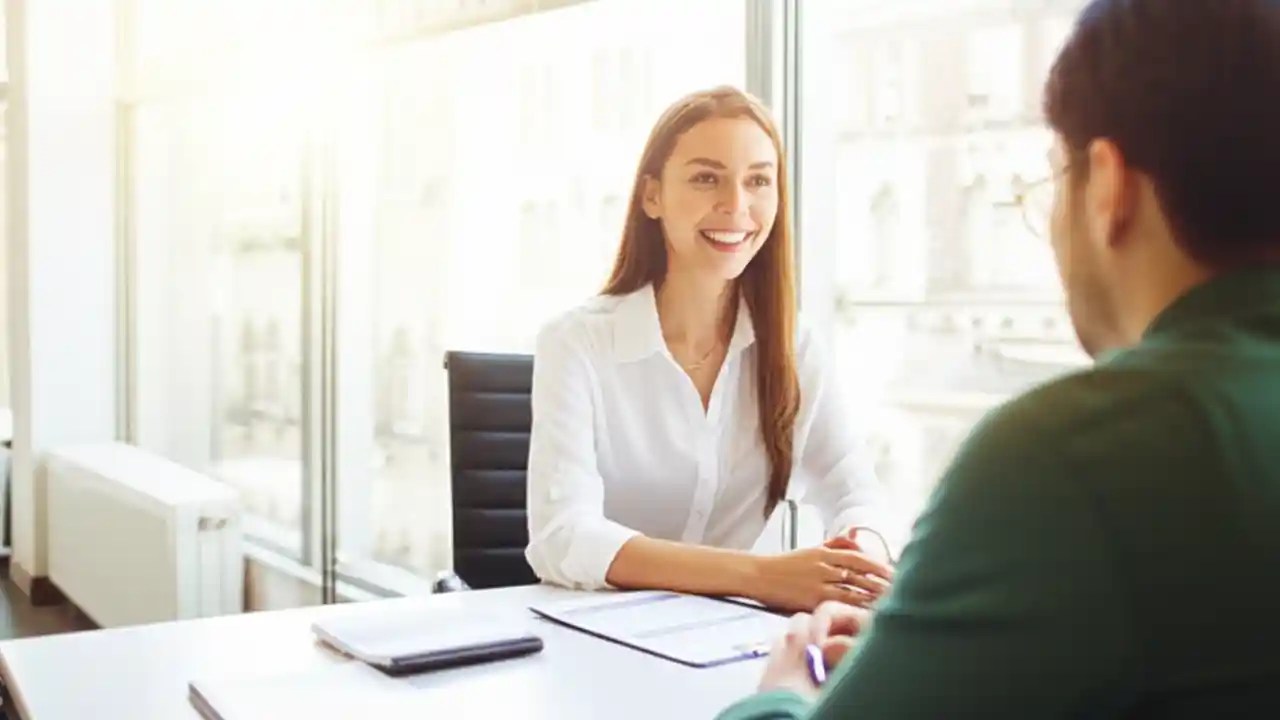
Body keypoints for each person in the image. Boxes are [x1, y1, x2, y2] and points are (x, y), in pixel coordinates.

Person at [718, 0, 1280, 716]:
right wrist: (933, 654)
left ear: (1107, 187)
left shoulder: (1077, 454)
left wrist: (781, 696)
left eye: (1054, 180)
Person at [524, 86, 898, 613]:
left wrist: (860, 562)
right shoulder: (577, 343)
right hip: (595, 633)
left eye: (758, 181)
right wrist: (761, 576)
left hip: (730, 637)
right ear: (652, 196)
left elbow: (856, 491)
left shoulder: (793, 346)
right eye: (706, 178)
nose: (736, 206)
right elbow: (563, 538)